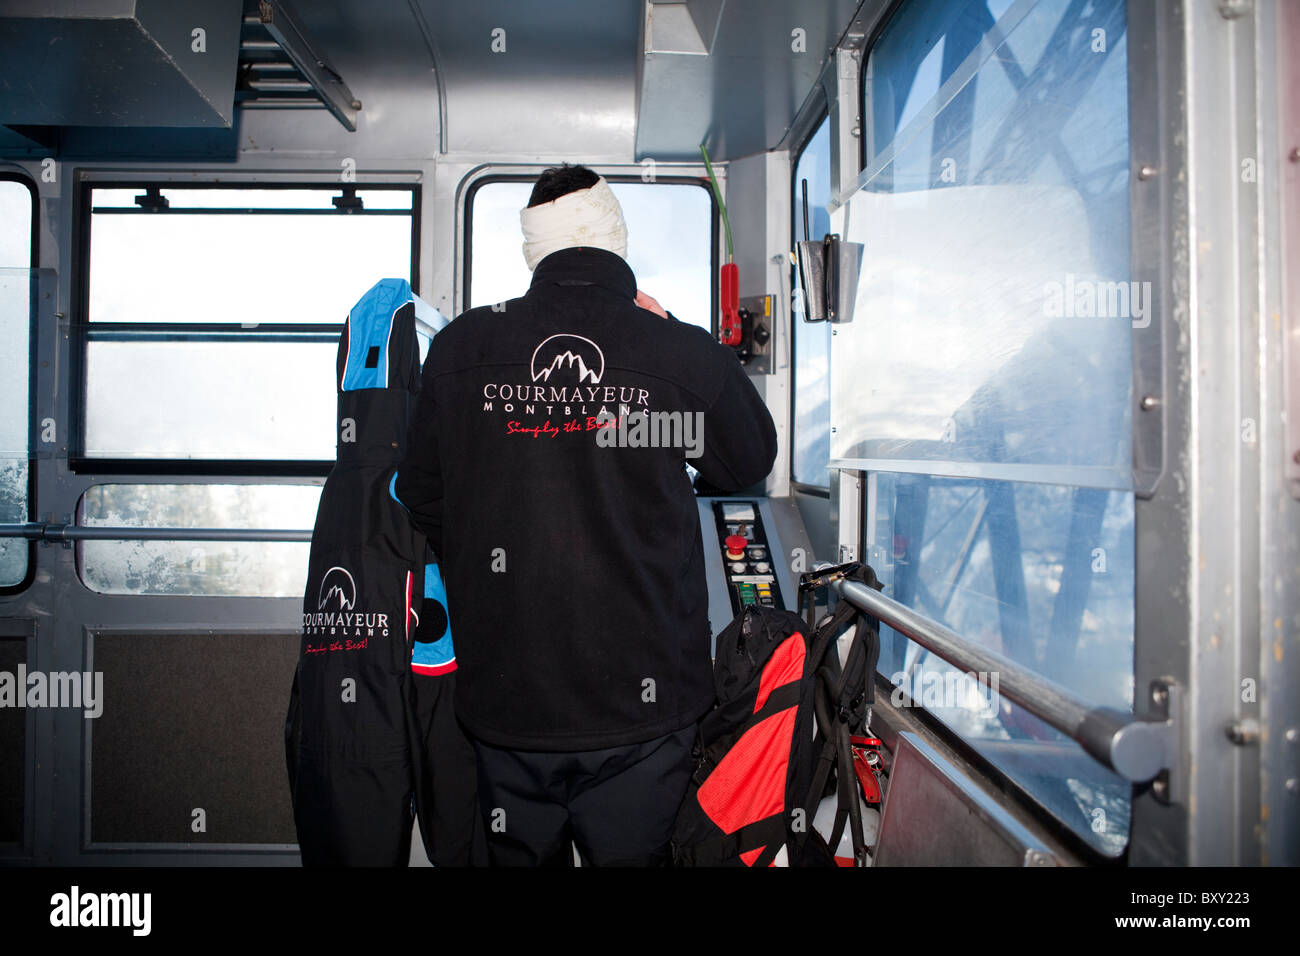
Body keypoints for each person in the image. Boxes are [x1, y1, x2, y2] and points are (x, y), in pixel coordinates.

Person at [395, 164, 777, 866]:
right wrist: (690, 342)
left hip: (506, 702)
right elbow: (746, 461)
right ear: (615, 240)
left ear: (533, 248)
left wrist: (490, 556)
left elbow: (421, 495)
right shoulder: (673, 351)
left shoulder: (461, 349)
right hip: (644, 708)